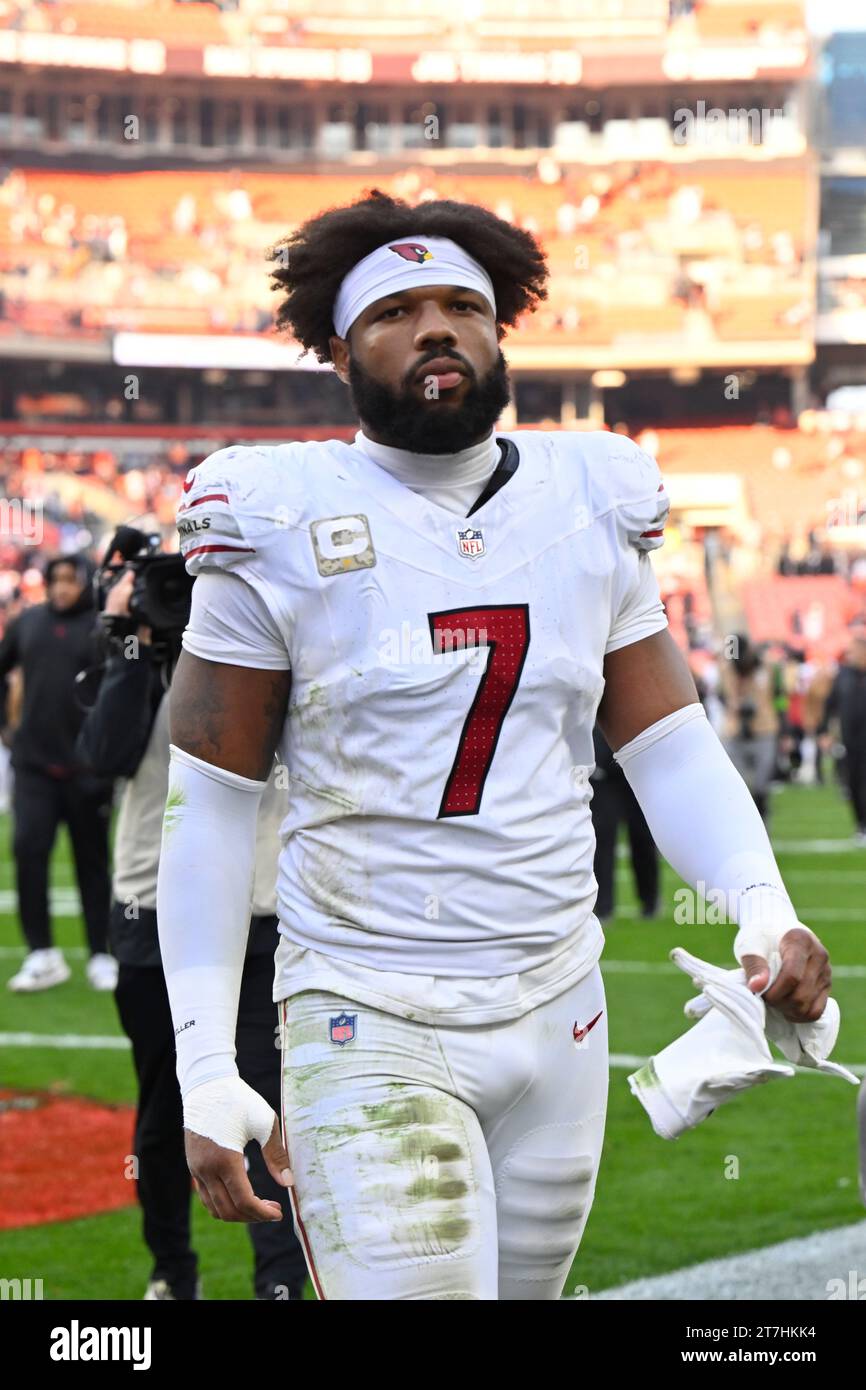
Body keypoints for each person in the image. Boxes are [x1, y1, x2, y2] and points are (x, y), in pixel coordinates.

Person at [156, 190, 834, 1301]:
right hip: (365, 1003)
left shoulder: (587, 494)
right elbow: (213, 800)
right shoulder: (274, 511)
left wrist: (761, 903)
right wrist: (198, 1056)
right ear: (337, 351)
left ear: (499, 331)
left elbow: (663, 742)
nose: (435, 327)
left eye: (460, 305)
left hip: (558, 1003)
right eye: (396, 311)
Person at [75, 544, 308, 1301]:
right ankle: (173, 1272)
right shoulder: (138, 663)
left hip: (265, 908)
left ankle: (278, 1284)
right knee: (165, 1101)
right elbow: (100, 754)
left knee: (271, 1101)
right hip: (151, 905)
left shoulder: (271, 650)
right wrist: (127, 642)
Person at [1, 555, 116, 993]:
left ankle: (101, 953)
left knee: (93, 863)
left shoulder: (103, 627)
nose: (62, 588)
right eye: (56, 580)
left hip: (88, 768)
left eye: (71, 580)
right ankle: (41, 954)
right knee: (29, 855)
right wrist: (6, 727)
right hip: (33, 767)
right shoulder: (28, 622)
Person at [589, 725, 658, 921]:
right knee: (602, 840)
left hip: (635, 769)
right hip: (603, 775)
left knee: (642, 837)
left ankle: (650, 901)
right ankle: (603, 906)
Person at [717, 635, 779, 822]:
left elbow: (771, 692)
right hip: (735, 732)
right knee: (738, 786)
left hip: (763, 730)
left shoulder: (763, 668)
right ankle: (742, 821)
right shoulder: (728, 670)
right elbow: (725, 682)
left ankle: (762, 816)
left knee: (761, 785)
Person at [818, 630, 866, 844]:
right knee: (853, 783)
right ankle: (861, 825)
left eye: (854, 650)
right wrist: (824, 731)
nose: (850, 654)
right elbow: (830, 704)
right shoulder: (844, 675)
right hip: (850, 741)